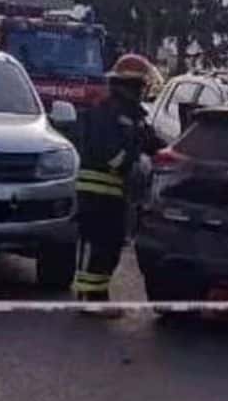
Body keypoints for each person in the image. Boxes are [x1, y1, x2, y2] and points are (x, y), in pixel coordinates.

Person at [71, 54, 165, 312]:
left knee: (111, 246)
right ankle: (89, 299)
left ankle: (98, 296)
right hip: (96, 191)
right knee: (96, 244)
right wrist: (132, 158)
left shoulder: (134, 115)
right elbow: (109, 152)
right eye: (141, 85)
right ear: (130, 85)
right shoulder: (105, 111)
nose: (143, 90)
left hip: (117, 193)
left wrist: (174, 153)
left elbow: (152, 143)